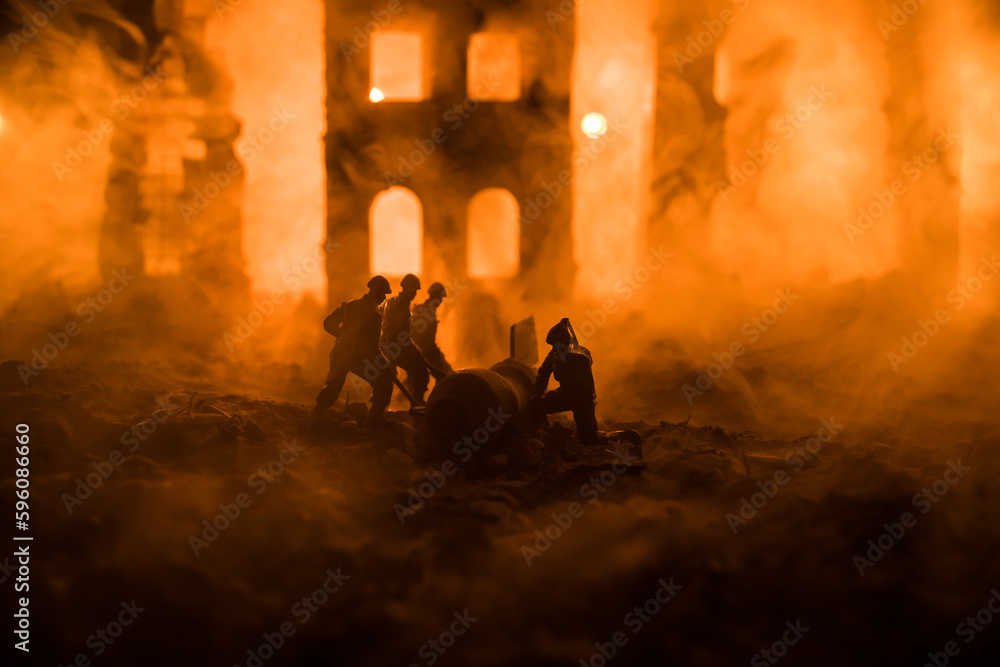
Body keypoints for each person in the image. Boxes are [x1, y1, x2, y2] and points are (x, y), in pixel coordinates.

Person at [312, 276, 394, 429]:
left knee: (332, 386)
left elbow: (328, 324)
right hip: (358, 359)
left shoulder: (349, 306)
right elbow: (373, 348)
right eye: (383, 294)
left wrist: (342, 337)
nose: (384, 298)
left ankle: (315, 420)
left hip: (340, 354)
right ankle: (374, 422)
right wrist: (385, 366)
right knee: (384, 383)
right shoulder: (374, 316)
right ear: (375, 292)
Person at [532, 318, 602, 445]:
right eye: (553, 345)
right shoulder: (554, 355)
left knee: (589, 440)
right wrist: (538, 394)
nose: (554, 348)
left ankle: (614, 438)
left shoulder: (580, 357)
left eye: (557, 344)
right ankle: (542, 431)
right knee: (536, 405)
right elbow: (543, 374)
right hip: (566, 394)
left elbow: (583, 386)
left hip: (583, 400)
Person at [380, 273, 431, 406]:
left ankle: (399, 401)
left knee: (389, 379)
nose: (415, 294)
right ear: (409, 289)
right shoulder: (401, 306)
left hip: (386, 347)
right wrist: (416, 352)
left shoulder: (390, 302)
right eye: (414, 290)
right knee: (422, 372)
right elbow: (401, 334)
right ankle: (416, 402)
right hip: (397, 348)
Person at [411, 282, 454, 380]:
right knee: (446, 375)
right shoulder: (426, 312)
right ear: (435, 296)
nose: (441, 301)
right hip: (426, 351)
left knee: (417, 379)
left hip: (426, 350)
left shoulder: (424, 309)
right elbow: (420, 336)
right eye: (440, 298)